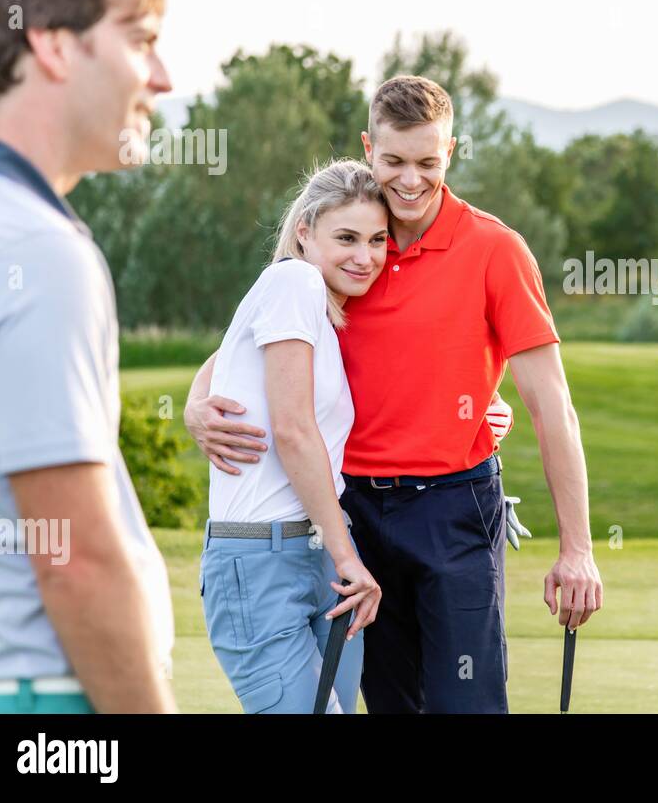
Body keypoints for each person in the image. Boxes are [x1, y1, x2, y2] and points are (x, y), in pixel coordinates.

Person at [187, 75, 603, 713]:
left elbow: (554, 408)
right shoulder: (351, 248)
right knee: (388, 703)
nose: (411, 180)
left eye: (428, 163)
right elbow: (249, 344)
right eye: (395, 162)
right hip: (352, 517)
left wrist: (576, 548)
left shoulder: (495, 250)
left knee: (467, 703)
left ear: (451, 153)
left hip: (453, 510)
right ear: (367, 148)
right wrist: (196, 400)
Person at [0, 0, 176, 713]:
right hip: (31, 705)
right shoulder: (38, 250)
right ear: (53, 44)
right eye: (140, 38)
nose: (160, 75)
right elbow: (75, 559)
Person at [198, 159, 386, 714]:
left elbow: (227, 354)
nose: (365, 255)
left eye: (377, 240)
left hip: (317, 558)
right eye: (346, 237)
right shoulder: (293, 280)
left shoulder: (319, 310)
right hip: (260, 559)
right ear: (304, 231)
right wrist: (347, 555)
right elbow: (293, 430)